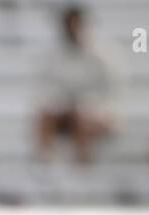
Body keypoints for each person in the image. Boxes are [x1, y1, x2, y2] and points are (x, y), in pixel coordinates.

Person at [34, 5, 117, 165]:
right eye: (69, 26)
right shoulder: (54, 56)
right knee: (46, 116)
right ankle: (45, 164)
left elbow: (112, 93)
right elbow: (47, 90)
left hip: (97, 115)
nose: (72, 31)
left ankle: (83, 166)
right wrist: (63, 105)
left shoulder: (103, 56)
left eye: (76, 25)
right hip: (66, 112)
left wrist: (87, 107)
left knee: (81, 118)